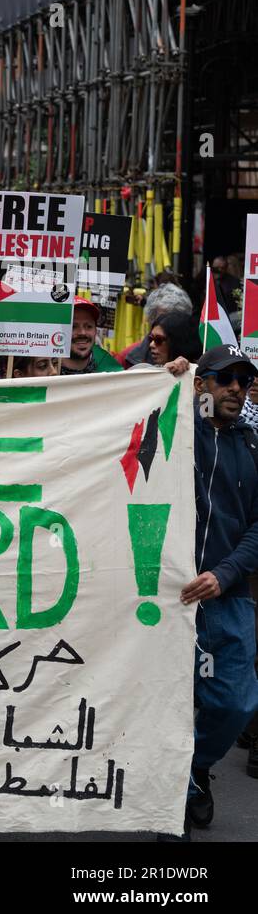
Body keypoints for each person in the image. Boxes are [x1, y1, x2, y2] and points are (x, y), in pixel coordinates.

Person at [178, 344, 258, 839]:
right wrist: (164, 380)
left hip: (225, 597)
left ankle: (194, 768)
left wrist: (225, 573)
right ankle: (159, 788)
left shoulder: (252, 445)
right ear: (200, 385)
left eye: (243, 381)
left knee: (234, 703)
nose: (234, 388)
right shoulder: (176, 426)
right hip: (162, 596)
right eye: (224, 378)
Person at [119, 283, 193, 366]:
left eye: (173, 321)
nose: (166, 326)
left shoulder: (198, 359)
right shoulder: (129, 357)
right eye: (161, 319)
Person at [60, 298, 120, 375]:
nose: (82, 333)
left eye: (88, 326)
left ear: (95, 330)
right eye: (73, 327)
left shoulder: (112, 373)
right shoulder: (44, 373)